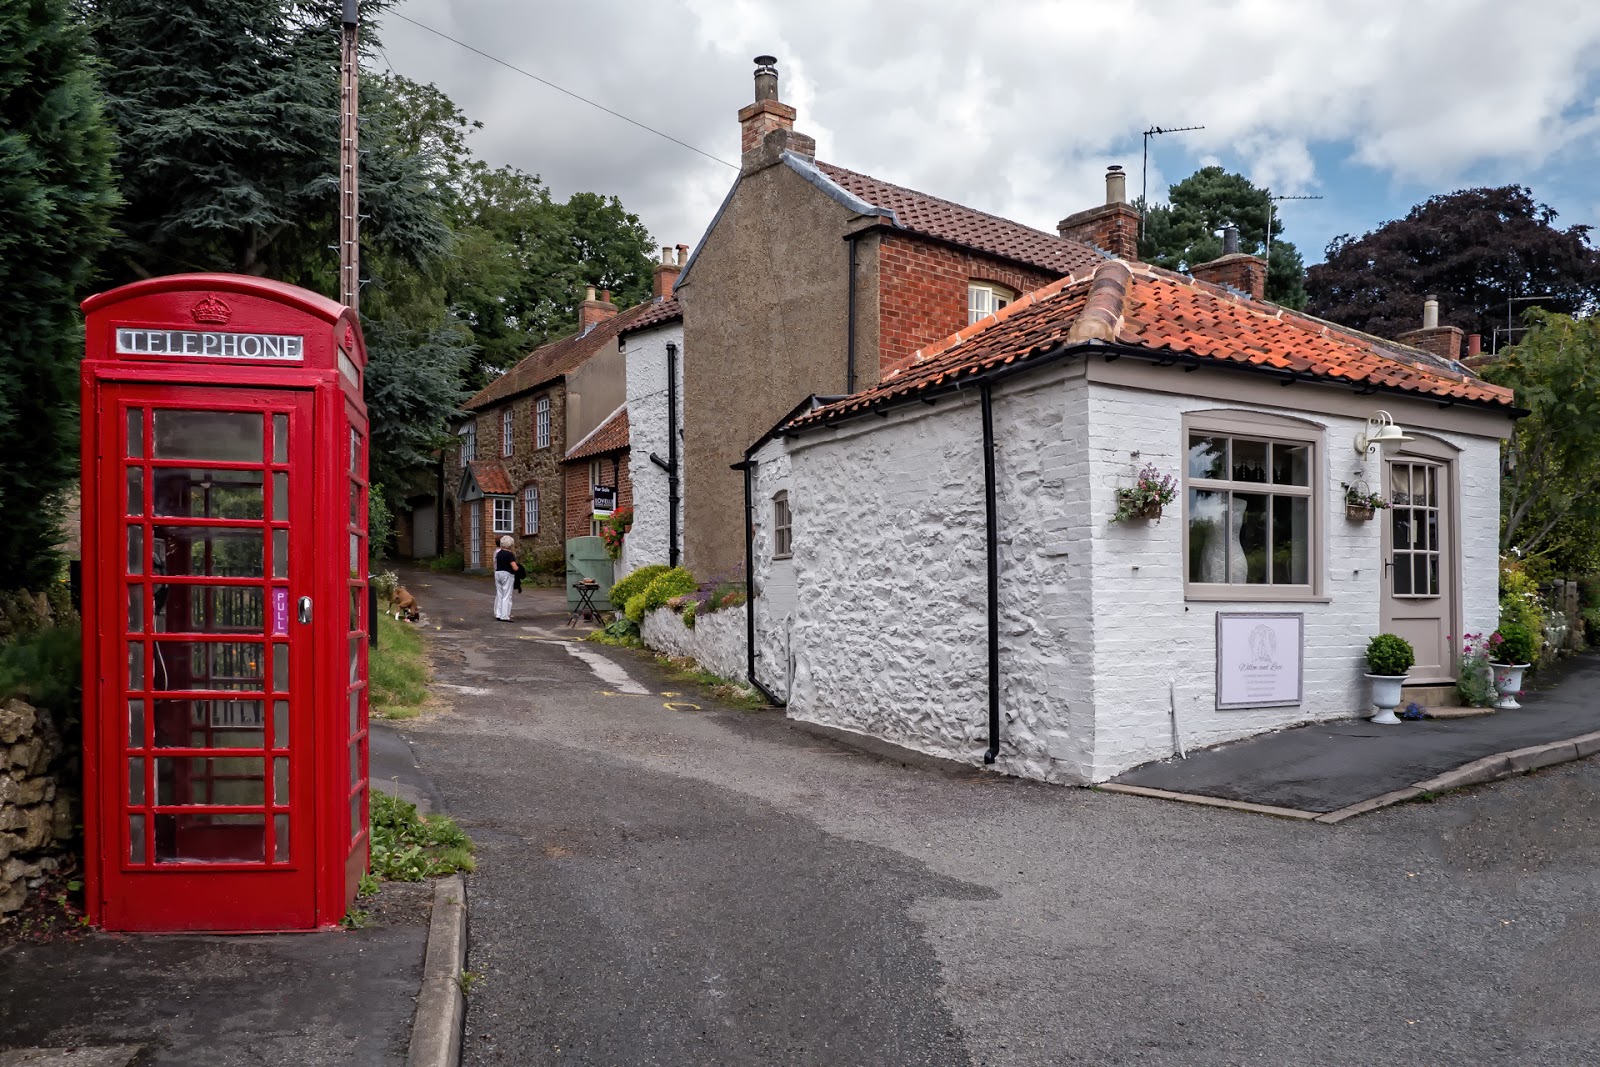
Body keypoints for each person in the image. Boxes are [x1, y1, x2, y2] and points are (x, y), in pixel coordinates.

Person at [493, 535, 520, 621]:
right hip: (507, 574)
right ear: (510, 544)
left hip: (498, 573)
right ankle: (504, 616)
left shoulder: (498, 553)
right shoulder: (509, 554)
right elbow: (514, 566)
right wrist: (518, 569)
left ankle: (498, 613)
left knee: (499, 594)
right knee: (507, 595)